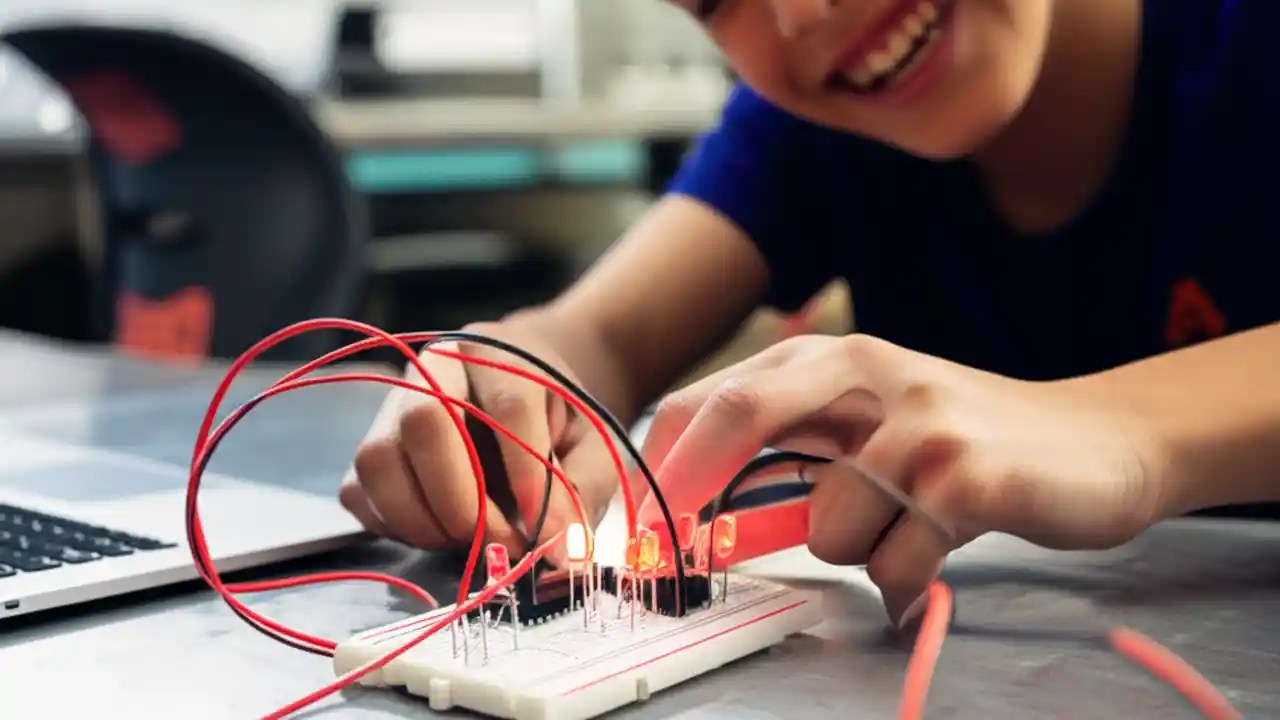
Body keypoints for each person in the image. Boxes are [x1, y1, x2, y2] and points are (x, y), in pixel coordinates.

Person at [339, 0, 1280, 630]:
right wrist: (508, 372)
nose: (799, 11)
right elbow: (597, 336)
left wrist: (1115, 429)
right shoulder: (815, 130)